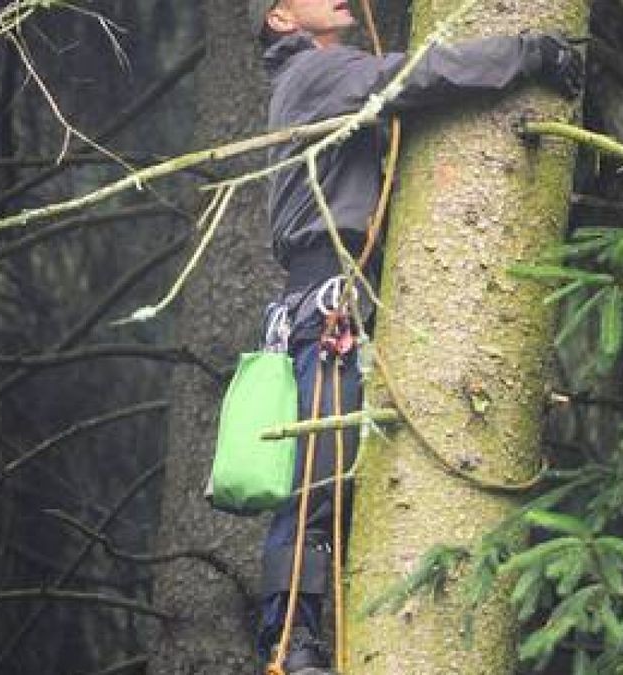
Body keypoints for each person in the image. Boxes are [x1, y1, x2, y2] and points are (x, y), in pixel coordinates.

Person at [247, 1, 583, 672]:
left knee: (338, 473)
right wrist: (527, 55)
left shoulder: (324, 78)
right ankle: (287, 637)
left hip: (351, 292)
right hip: (329, 300)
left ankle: (302, 632)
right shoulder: (317, 75)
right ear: (283, 19)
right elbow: (415, 77)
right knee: (320, 474)